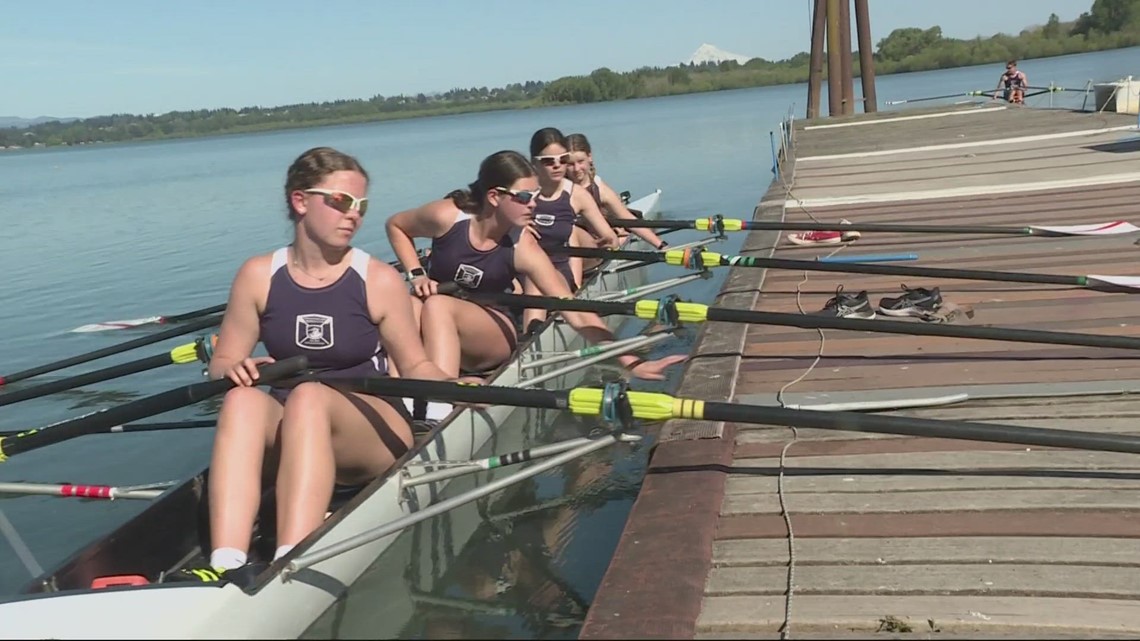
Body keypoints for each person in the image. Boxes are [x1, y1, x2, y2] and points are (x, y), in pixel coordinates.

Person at [175, 147, 453, 584]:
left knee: (308, 395)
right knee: (243, 400)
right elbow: (222, 362)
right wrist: (233, 368)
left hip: (371, 431)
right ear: (300, 201)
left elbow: (415, 363)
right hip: (292, 427)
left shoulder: (377, 279)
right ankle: (227, 561)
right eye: (341, 202)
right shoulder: (258, 274)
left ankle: (292, 556)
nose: (353, 215)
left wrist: (459, 393)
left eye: (361, 206)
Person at [385, 149, 685, 382]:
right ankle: (405, 400)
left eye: (537, 196)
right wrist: (416, 273)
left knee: (436, 305)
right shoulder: (445, 216)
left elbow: (575, 312)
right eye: (526, 197)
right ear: (494, 196)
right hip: (439, 324)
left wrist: (632, 361)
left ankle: (438, 405)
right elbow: (396, 226)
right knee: (406, 304)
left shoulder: (523, 247)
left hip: (491, 333)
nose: (534, 205)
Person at [525, 128, 620, 310]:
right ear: (534, 163)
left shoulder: (577, 195)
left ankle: (533, 330)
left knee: (536, 276)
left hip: (558, 272)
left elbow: (611, 239)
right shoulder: (522, 193)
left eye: (563, 159)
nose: (557, 165)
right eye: (548, 161)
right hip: (521, 270)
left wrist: (604, 244)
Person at [564, 132, 669, 275]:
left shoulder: (600, 190)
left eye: (580, 161)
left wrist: (660, 245)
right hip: (564, 251)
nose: (576, 169)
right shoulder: (556, 188)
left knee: (573, 232)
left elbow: (629, 220)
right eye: (570, 164)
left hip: (594, 251)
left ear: (590, 157)